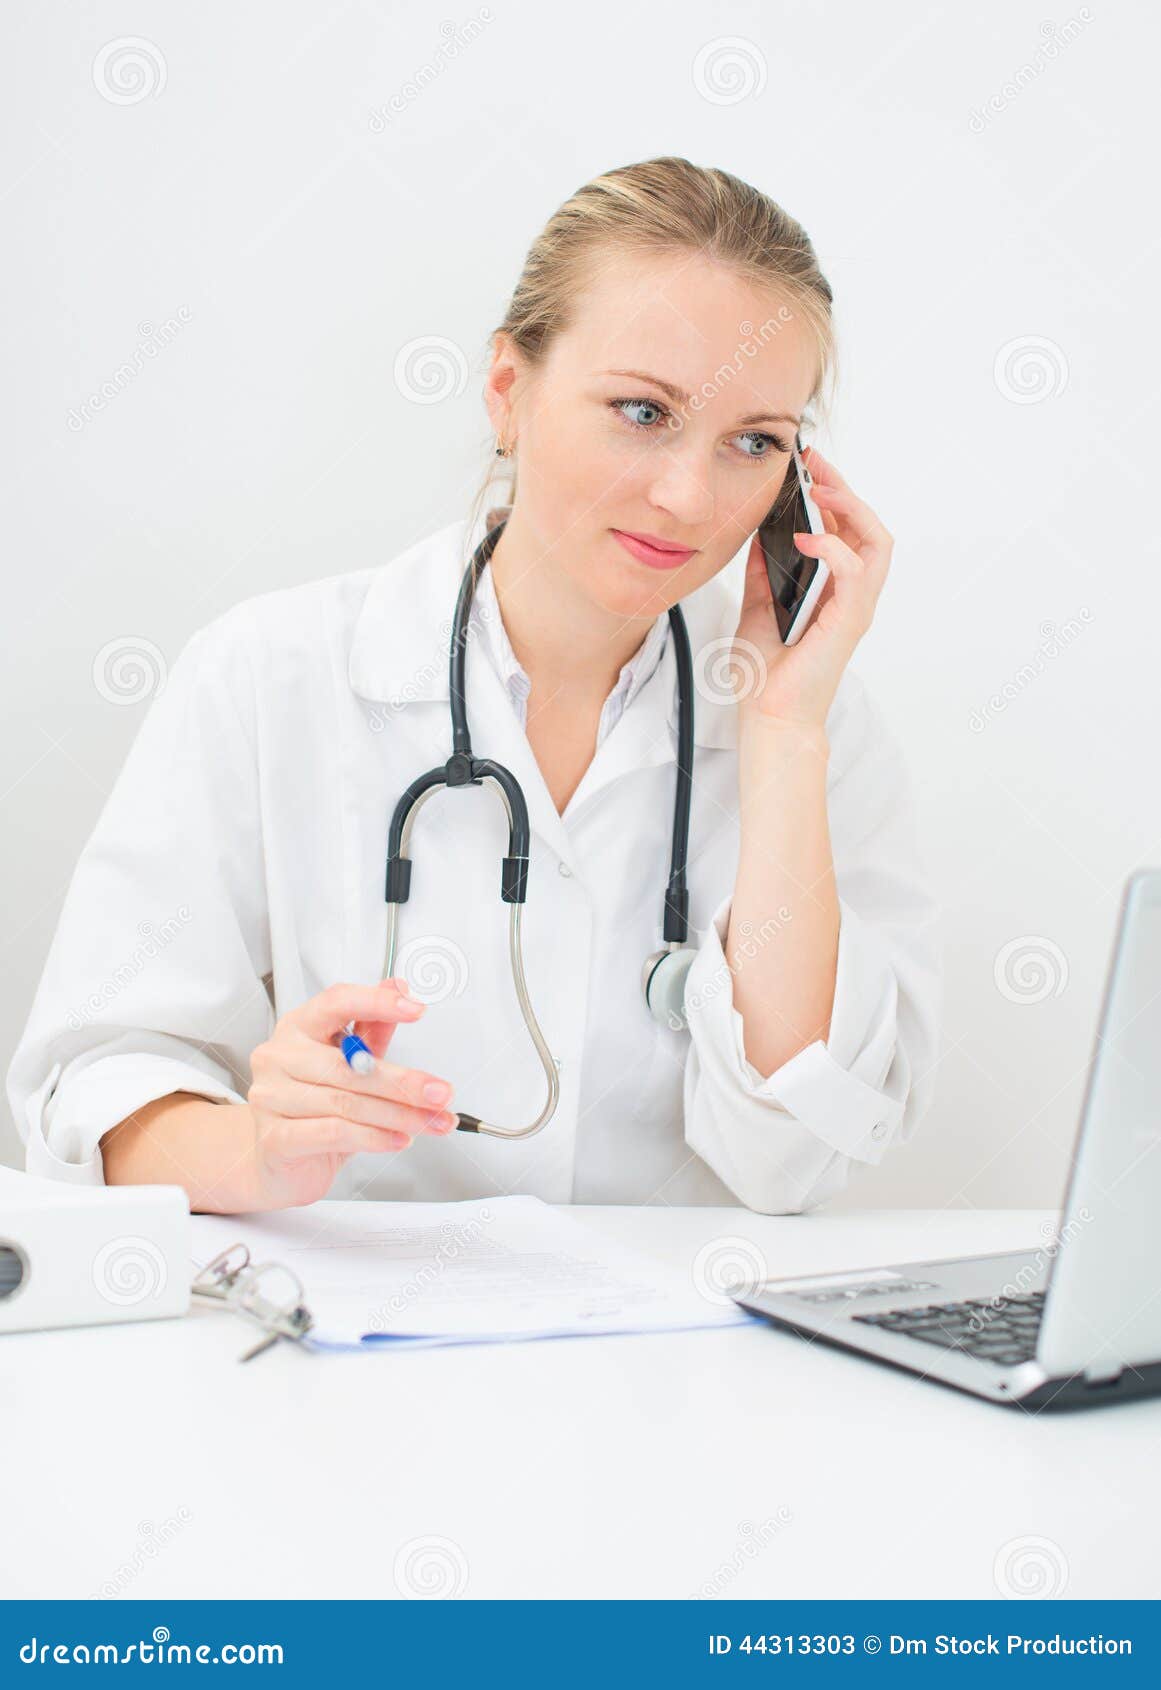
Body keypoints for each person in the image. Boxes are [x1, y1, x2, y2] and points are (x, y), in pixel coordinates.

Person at [6, 156, 941, 1216]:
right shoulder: (269, 674)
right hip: (345, 1317)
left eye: (754, 441)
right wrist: (259, 1150)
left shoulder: (812, 728)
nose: (689, 496)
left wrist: (779, 735)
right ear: (508, 390)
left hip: (686, 1323)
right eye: (643, 411)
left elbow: (794, 1157)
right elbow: (97, 1086)